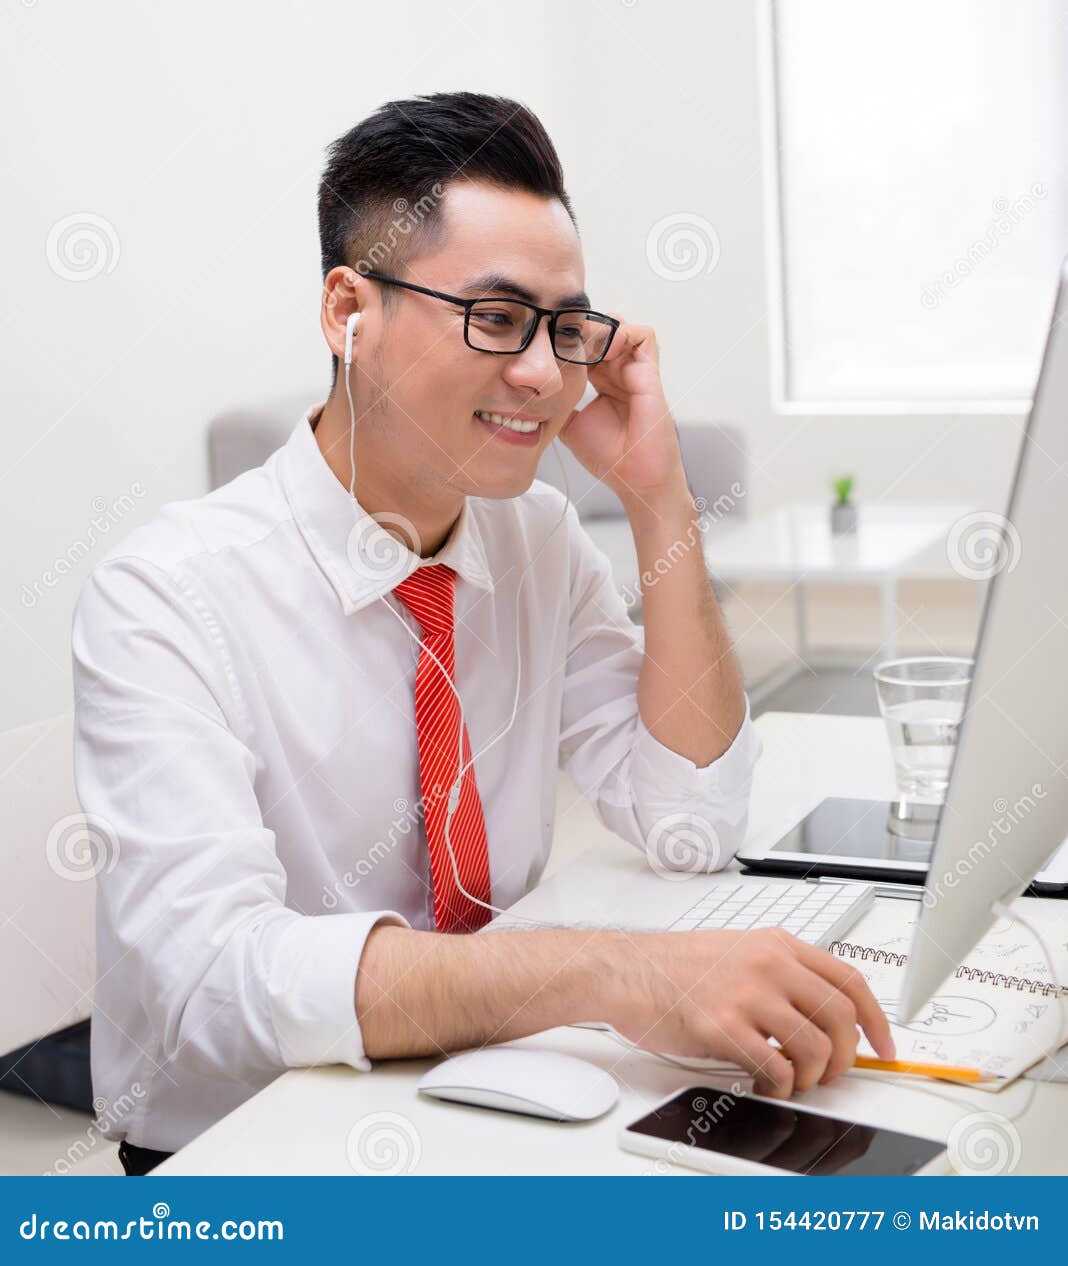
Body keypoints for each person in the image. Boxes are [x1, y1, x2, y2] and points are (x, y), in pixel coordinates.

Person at [73, 92, 893, 1172]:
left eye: (564, 327)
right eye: (496, 318)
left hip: (487, 1088)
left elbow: (689, 813)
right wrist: (621, 974)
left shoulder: (536, 537)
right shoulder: (165, 594)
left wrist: (658, 500)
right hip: (253, 1149)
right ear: (347, 311)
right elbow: (214, 984)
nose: (546, 376)